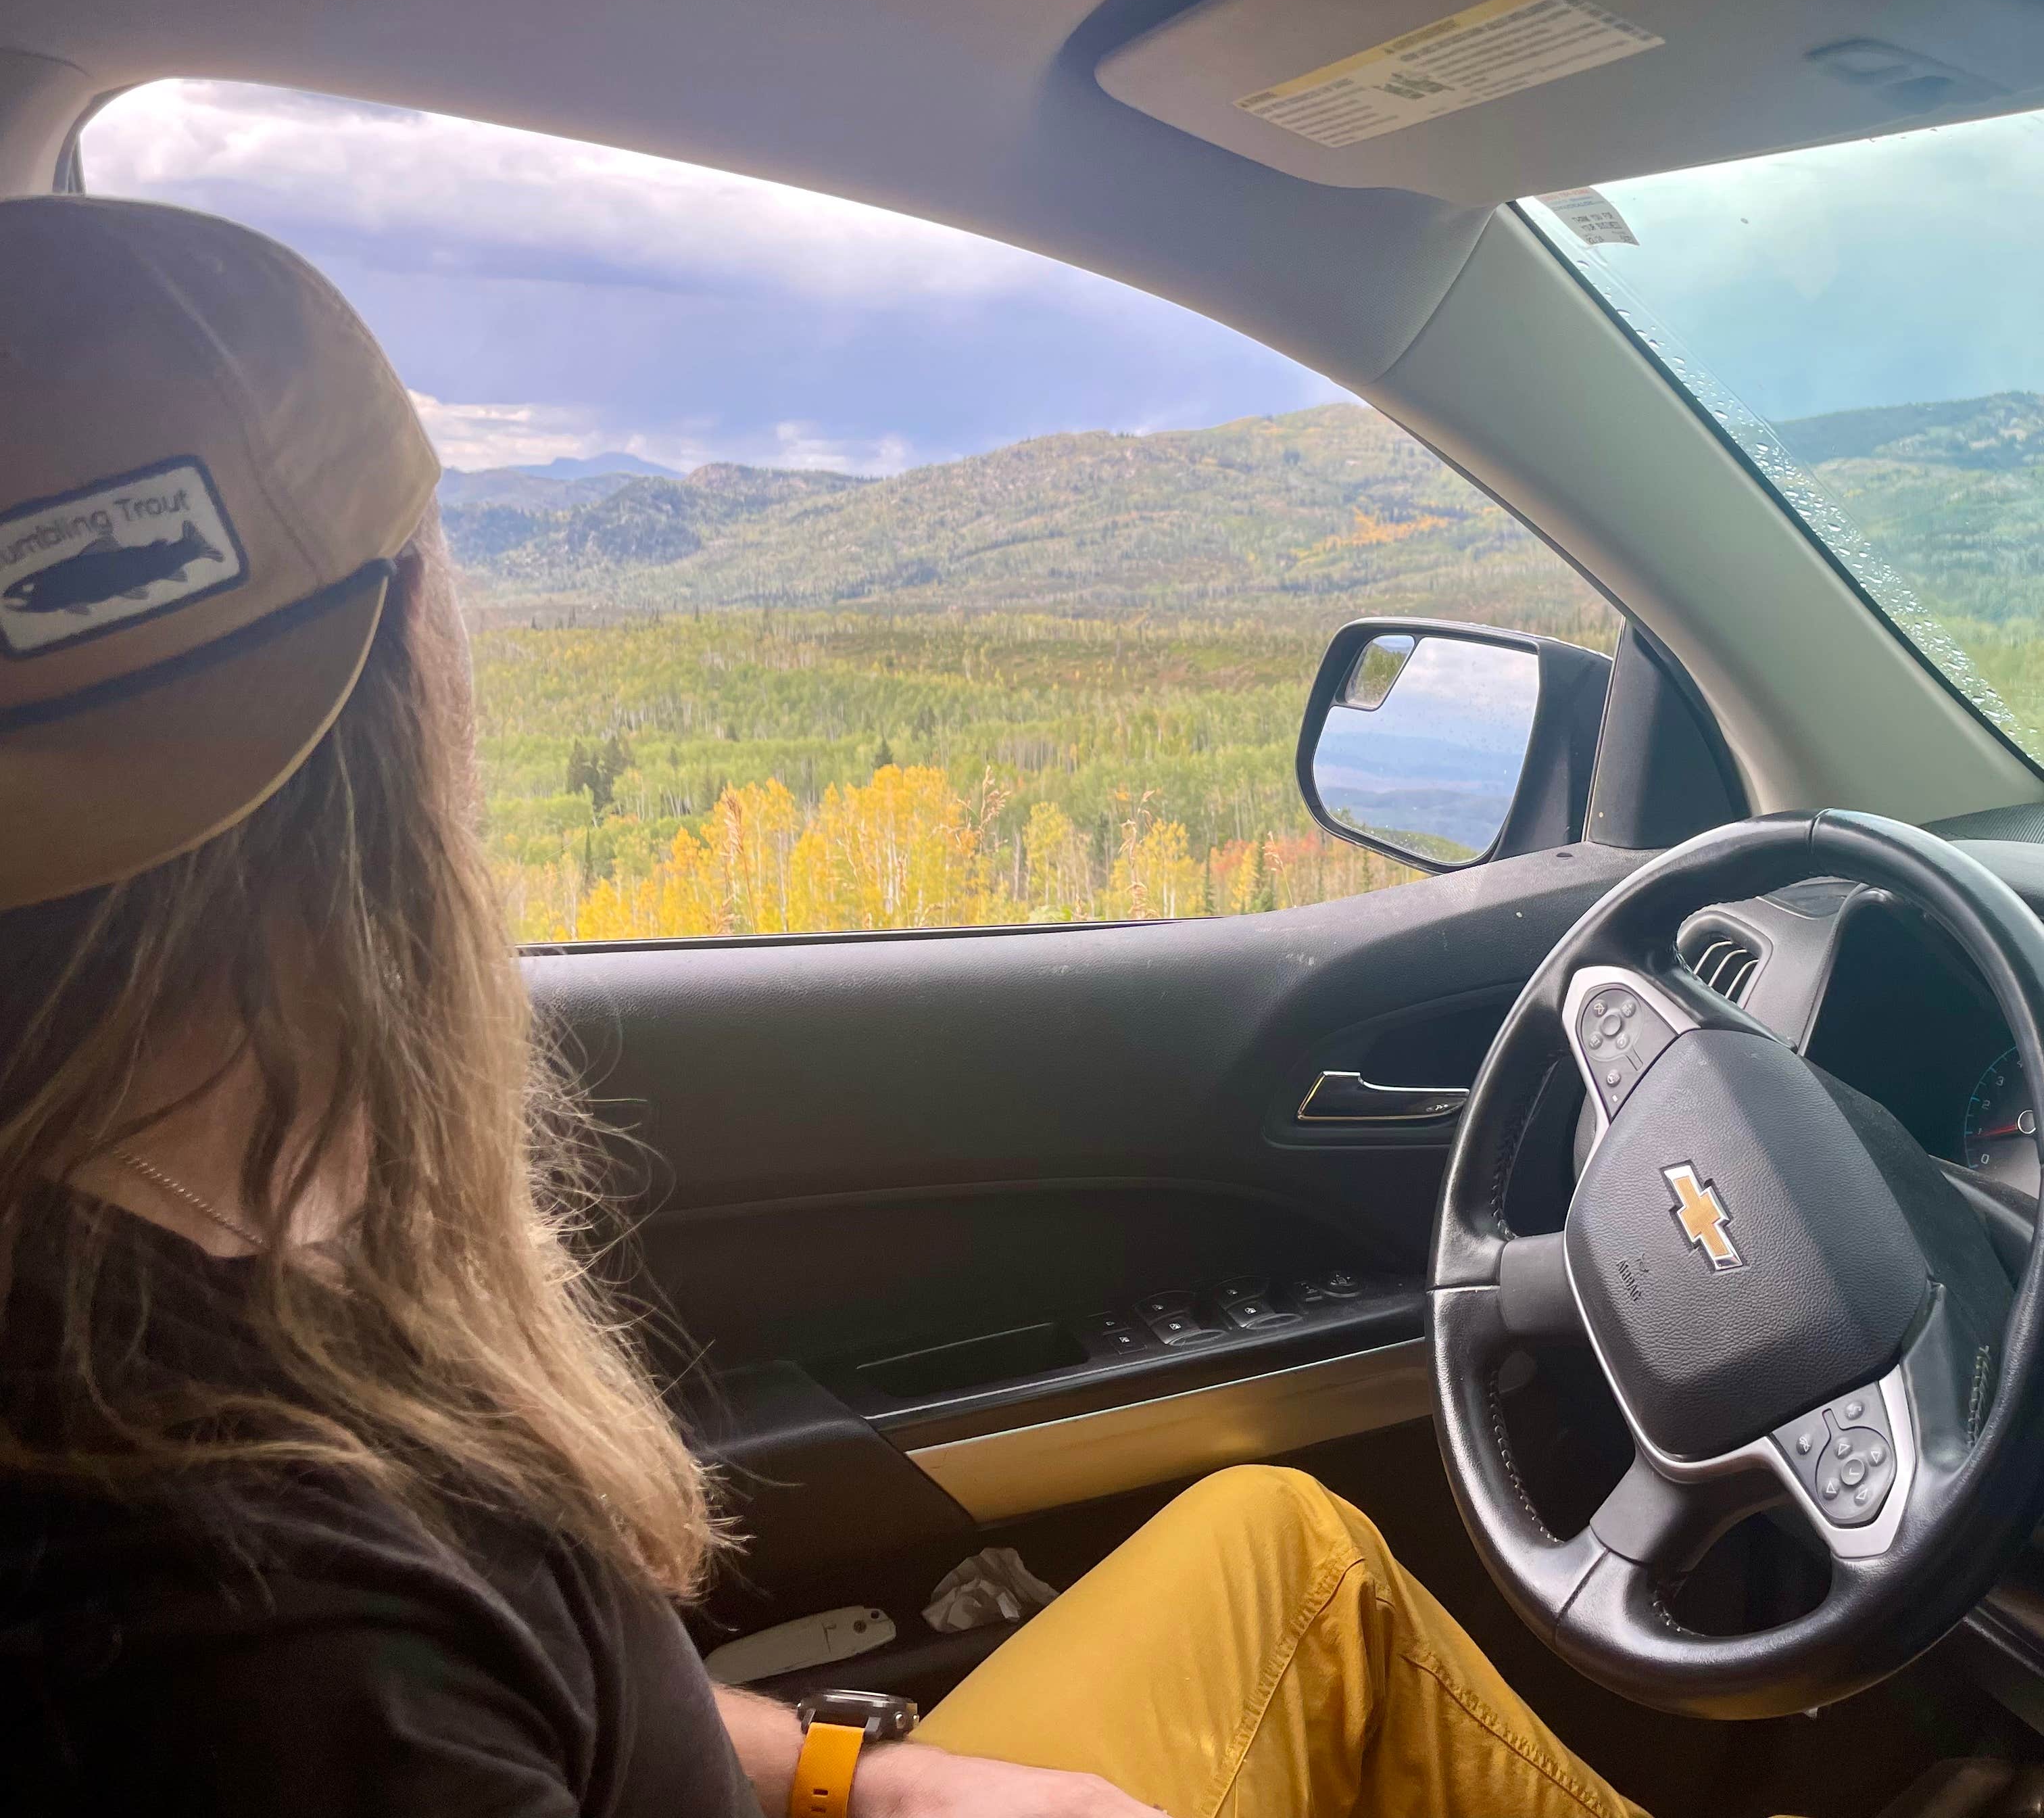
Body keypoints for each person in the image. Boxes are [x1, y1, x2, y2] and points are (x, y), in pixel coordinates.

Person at [0, 194, 1644, 1817]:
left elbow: (581, 1702)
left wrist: (869, 1778)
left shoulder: (202, 1261)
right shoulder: (263, 1638)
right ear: (394, 722)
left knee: (1283, 1556)